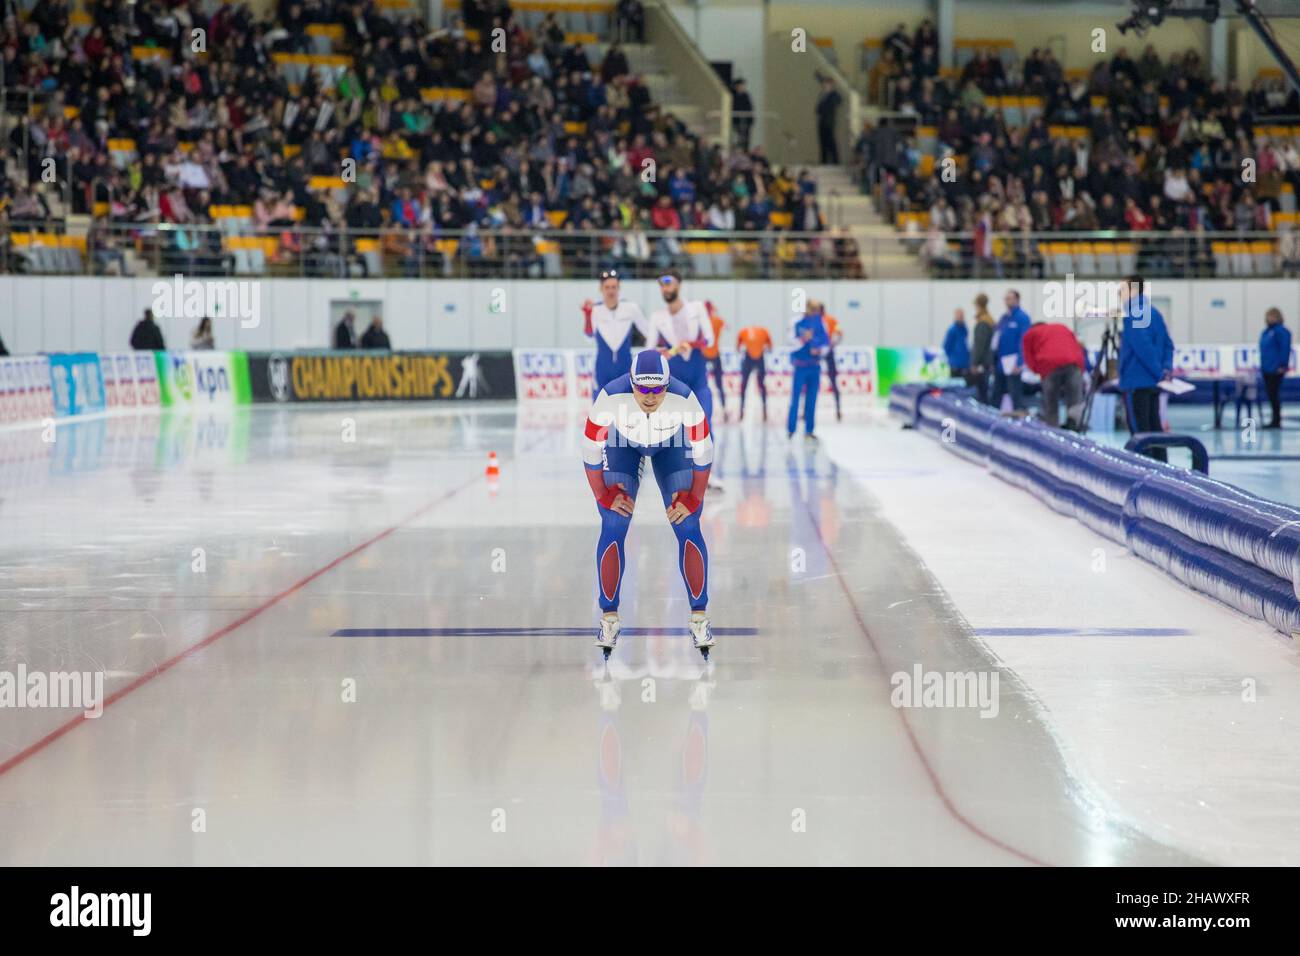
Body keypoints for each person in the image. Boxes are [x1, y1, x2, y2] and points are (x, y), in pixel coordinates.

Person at [583, 350, 715, 659]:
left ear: (668, 385)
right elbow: (590, 447)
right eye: (643, 388)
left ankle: (699, 617)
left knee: (688, 522)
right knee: (614, 521)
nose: (651, 396)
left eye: (658, 389)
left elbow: (704, 451)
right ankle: (609, 617)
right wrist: (602, 494)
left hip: (672, 445)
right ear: (631, 384)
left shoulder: (685, 399)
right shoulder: (610, 397)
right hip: (622, 445)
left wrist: (694, 497)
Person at [647, 270, 715, 424]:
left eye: (668, 283)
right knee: (675, 430)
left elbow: (709, 339)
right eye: (661, 285)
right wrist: (660, 353)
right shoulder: (657, 317)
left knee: (704, 425)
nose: (665, 288)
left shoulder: (697, 308)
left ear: (678, 284)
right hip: (674, 383)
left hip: (698, 380)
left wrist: (692, 344)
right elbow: (649, 351)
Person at [1118, 275, 1174, 460]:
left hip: (1137, 380)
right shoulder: (1154, 312)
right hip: (1151, 381)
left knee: (1140, 430)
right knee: (1154, 425)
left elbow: (1143, 347)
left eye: (1122, 289)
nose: (1120, 293)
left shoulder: (1134, 313)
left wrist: (1158, 372)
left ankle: (1145, 469)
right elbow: (1168, 344)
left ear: (1133, 290)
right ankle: (1162, 465)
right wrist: (1165, 369)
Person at [583, 268, 650, 397]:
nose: (611, 291)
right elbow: (588, 337)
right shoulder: (595, 310)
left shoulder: (631, 308)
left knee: (627, 408)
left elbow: (648, 332)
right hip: (602, 368)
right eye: (607, 287)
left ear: (619, 288)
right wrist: (587, 316)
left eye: (614, 287)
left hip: (625, 366)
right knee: (599, 410)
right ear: (601, 289)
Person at [1022, 321, 1086, 429]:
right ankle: (1076, 430)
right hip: (1073, 364)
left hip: (1049, 366)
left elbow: (1028, 358)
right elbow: (1077, 348)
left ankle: (1053, 432)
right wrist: (1080, 369)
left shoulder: (1030, 333)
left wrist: (1038, 370)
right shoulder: (1062, 327)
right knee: (1075, 402)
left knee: (1051, 403)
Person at [787, 304, 830, 439]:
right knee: (795, 398)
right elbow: (790, 342)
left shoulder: (820, 323)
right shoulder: (796, 323)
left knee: (812, 399)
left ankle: (809, 430)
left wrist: (820, 351)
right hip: (800, 366)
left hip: (814, 365)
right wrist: (802, 339)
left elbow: (826, 343)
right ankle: (791, 428)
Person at [991, 290, 1031, 410]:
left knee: (1015, 396)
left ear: (1017, 300)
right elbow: (996, 339)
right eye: (1006, 298)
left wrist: (1019, 362)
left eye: (1010, 298)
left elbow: (1024, 341)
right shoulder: (1004, 318)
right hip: (1000, 363)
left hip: (1012, 363)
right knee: (995, 395)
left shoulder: (1022, 318)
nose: (1007, 301)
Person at [1260, 307, 1291, 429]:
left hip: (1276, 368)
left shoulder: (1281, 331)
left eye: (1272, 316)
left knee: (1274, 394)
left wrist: (1283, 365)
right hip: (1267, 368)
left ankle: (1276, 420)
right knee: (1270, 394)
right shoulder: (1266, 332)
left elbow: (1285, 348)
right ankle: (1274, 418)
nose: (1269, 318)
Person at [736, 323, 772, 421]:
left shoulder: (746, 331)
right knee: (757, 385)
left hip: (753, 358)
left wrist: (739, 349)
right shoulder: (762, 331)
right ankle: (761, 411)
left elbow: (738, 346)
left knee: (748, 385)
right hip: (756, 358)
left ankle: (744, 411)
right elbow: (770, 346)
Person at [701, 301, 727, 421]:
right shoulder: (718, 320)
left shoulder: (701, 322)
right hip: (715, 355)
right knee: (719, 385)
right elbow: (727, 326)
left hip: (704, 356)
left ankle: (701, 410)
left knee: (701, 385)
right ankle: (724, 409)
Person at [969, 293, 995, 403]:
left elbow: (980, 344)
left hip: (983, 363)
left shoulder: (983, 322)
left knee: (982, 393)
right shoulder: (990, 319)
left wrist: (974, 363)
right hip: (987, 362)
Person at [820, 306, 844, 421]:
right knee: (833, 381)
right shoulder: (831, 320)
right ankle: (838, 410)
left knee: (809, 383)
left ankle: (838, 410)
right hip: (827, 351)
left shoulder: (826, 320)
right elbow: (839, 335)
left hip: (818, 352)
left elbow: (838, 334)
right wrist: (832, 345)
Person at [815, 77, 842, 164]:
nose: (824, 86)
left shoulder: (833, 95)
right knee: (823, 142)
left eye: (826, 84)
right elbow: (818, 109)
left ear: (830, 85)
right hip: (822, 121)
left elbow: (839, 100)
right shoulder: (823, 95)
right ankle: (824, 161)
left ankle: (835, 161)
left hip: (829, 121)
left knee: (830, 141)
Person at [942, 309, 971, 381]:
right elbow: (946, 346)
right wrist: (952, 358)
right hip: (955, 364)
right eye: (959, 316)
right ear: (955, 316)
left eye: (962, 315)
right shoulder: (952, 330)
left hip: (965, 363)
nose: (961, 317)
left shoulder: (965, 329)